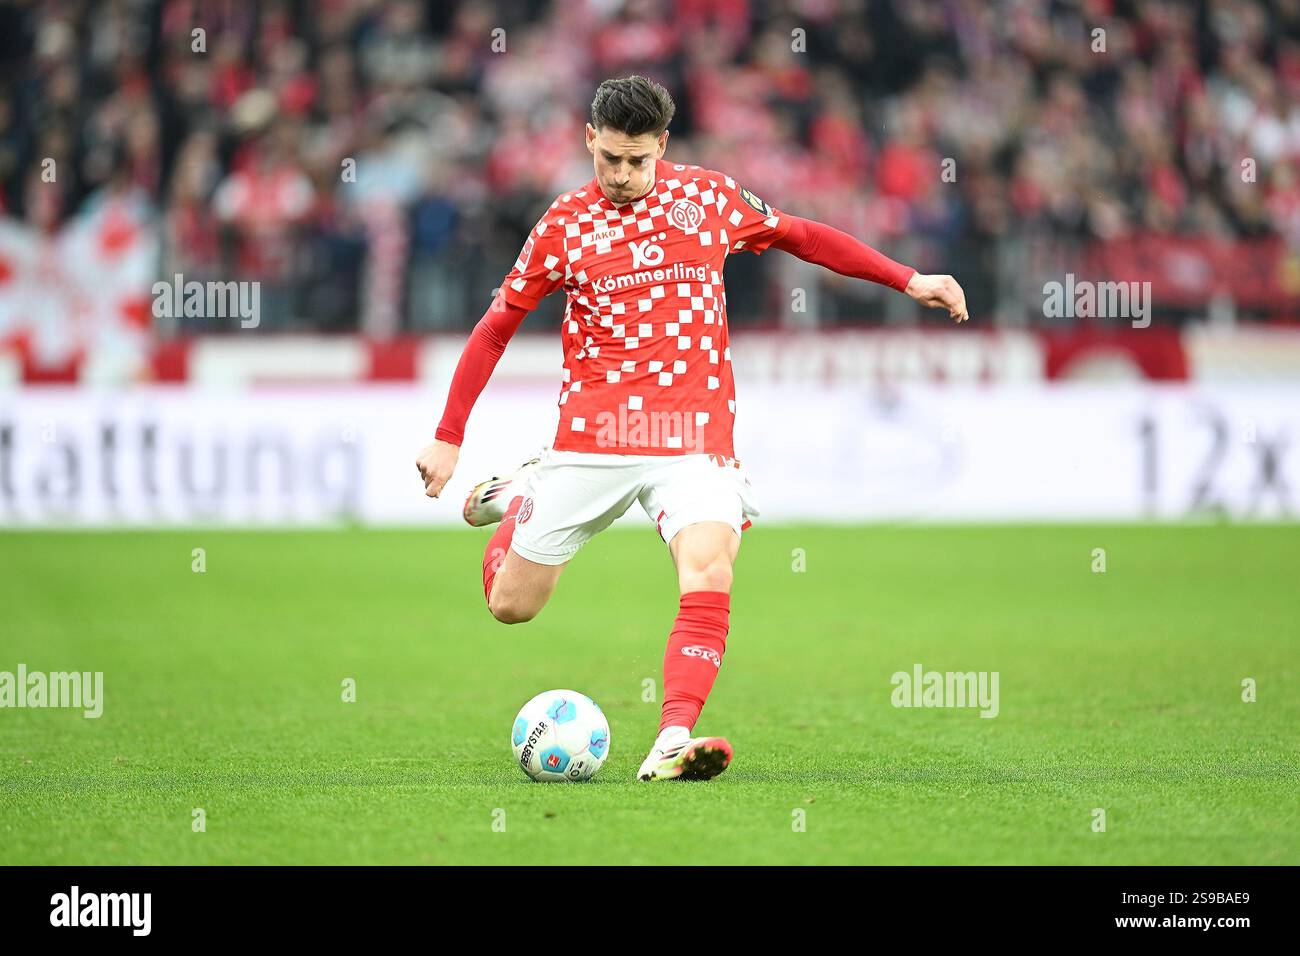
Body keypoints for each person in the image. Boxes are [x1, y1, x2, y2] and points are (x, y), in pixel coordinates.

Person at [415, 75, 968, 782]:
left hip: (695, 438)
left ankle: (673, 737)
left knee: (709, 569)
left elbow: (801, 234)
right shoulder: (561, 226)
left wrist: (906, 277)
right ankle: (522, 496)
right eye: (609, 158)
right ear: (589, 139)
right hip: (597, 436)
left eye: (637, 161)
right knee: (511, 607)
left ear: (662, 148)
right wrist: (449, 435)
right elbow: (496, 329)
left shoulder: (708, 199)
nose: (621, 176)